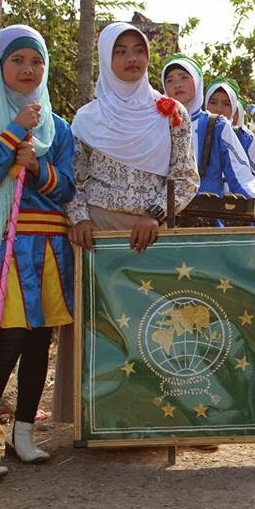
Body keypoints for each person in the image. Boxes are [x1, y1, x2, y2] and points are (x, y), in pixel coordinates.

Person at [63, 22, 200, 422]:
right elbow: (74, 176)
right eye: (120, 51)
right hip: (96, 235)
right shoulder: (88, 117)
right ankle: (97, 420)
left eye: (137, 50)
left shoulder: (170, 113)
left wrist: (153, 216)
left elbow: (185, 177)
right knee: (100, 324)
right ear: (107, 58)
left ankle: (159, 417)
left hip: (150, 235)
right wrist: (80, 219)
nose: (131, 59)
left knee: (155, 327)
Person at [0, 25, 76, 480]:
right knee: (4, 339)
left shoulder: (58, 127)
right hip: (0, 242)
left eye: (37, 61)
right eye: (18, 61)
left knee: (38, 338)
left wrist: (38, 166)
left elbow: (65, 188)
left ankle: (23, 434)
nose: (28, 70)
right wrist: (13, 134)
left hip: (47, 244)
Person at [197, 77, 255, 219]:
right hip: (205, 207)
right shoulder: (194, 129)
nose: (219, 108)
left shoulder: (247, 139)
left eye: (226, 104)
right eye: (213, 102)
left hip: (239, 208)